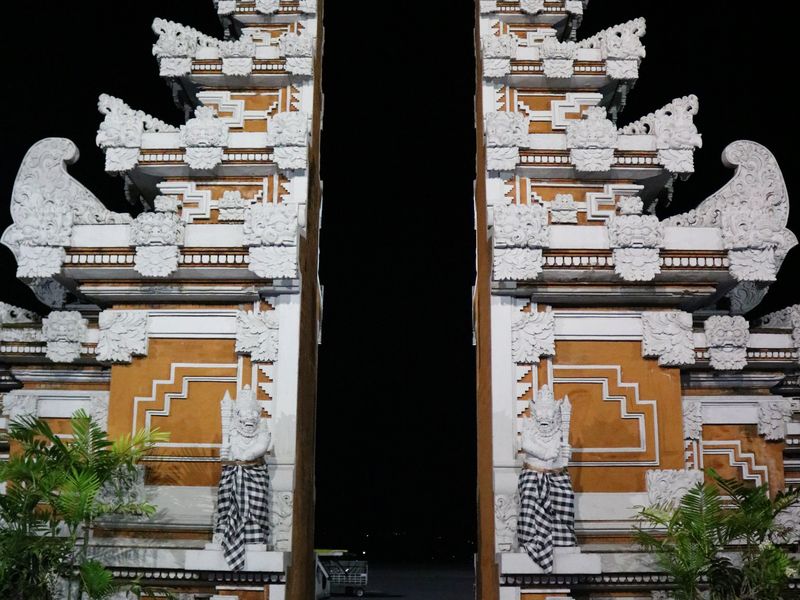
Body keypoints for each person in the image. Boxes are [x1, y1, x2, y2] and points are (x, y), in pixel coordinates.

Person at [517, 384, 576, 573]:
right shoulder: (528, 427)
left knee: (566, 497)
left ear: (555, 413)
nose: (544, 416)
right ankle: (531, 540)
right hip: (533, 474)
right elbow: (526, 444)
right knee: (528, 499)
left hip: (555, 476)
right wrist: (545, 452)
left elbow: (561, 458)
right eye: (540, 412)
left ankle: (563, 538)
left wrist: (567, 453)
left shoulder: (559, 432)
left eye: (548, 411)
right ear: (535, 413)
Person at [213, 386, 272, 571]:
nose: (250, 417)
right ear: (237, 415)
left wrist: (246, 455)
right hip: (233, 475)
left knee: (257, 506)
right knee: (227, 505)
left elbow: (261, 446)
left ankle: (255, 534)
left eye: (254, 413)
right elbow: (228, 455)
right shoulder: (232, 433)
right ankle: (226, 533)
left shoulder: (262, 429)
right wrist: (226, 453)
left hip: (254, 474)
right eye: (246, 413)